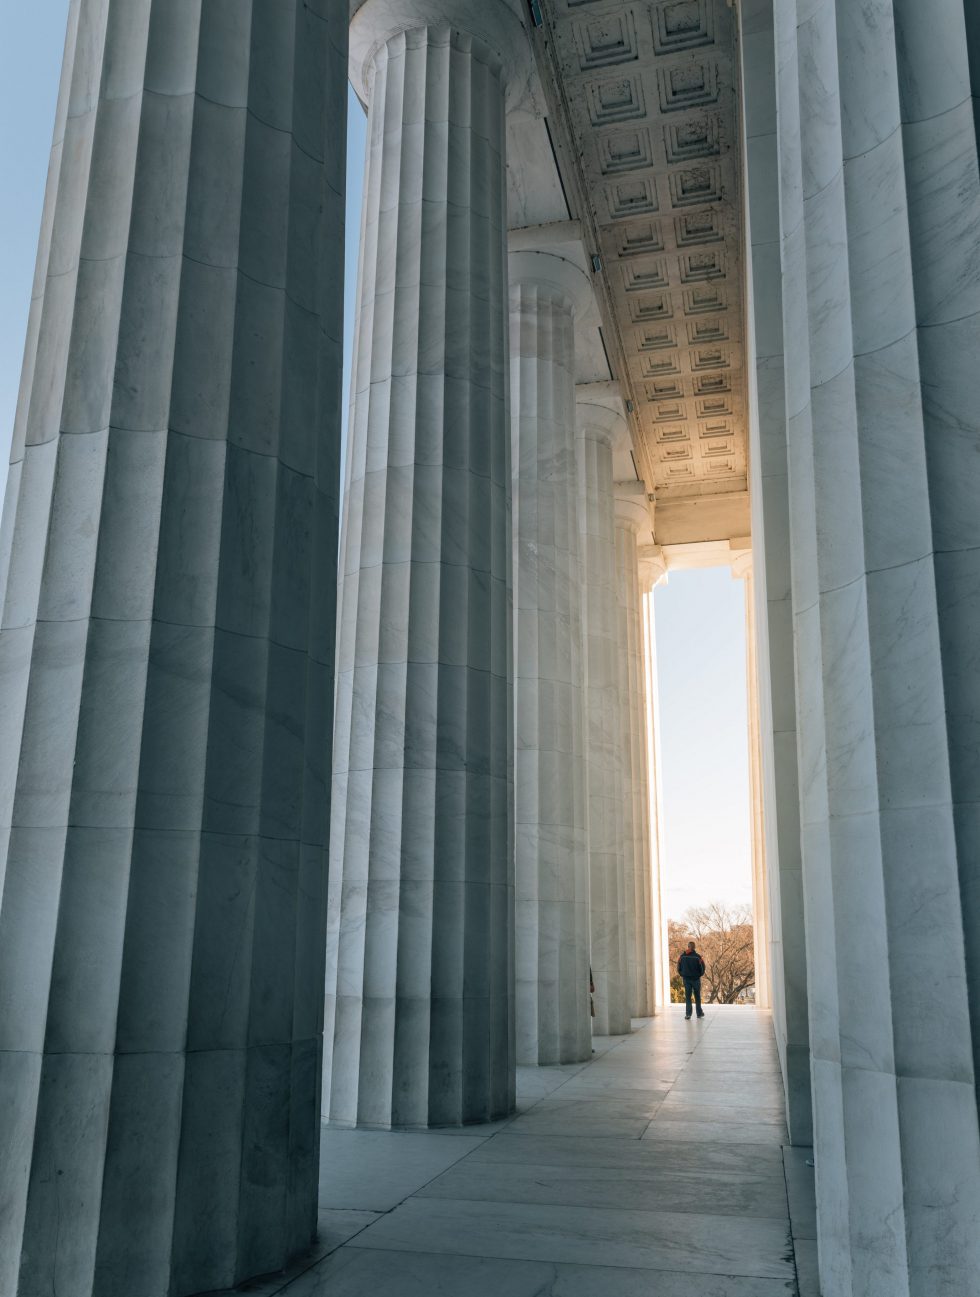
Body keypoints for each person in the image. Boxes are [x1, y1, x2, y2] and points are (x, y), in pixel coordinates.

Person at [677, 940, 706, 1019]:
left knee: (688, 997)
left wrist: (682, 974)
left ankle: (688, 1014)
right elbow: (703, 968)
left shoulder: (682, 956)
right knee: (697, 997)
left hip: (686, 979)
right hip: (696, 979)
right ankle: (699, 1013)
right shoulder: (698, 957)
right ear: (694, 947)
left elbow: (678, 967)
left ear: (688, 947)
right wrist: (699, 975)